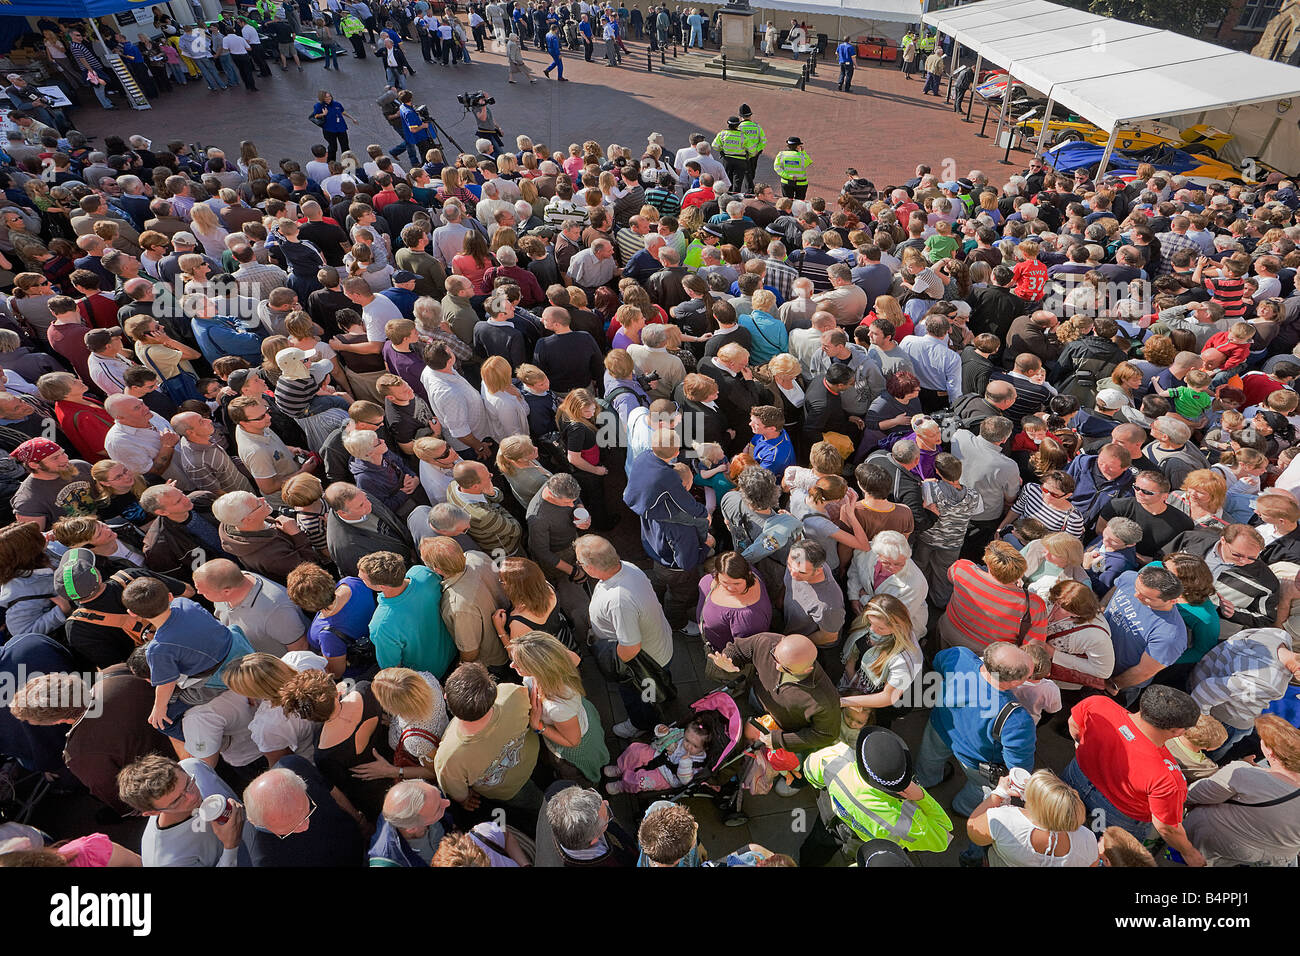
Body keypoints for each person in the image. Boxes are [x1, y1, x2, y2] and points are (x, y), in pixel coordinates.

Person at [1064, 684, 1206, 866]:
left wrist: (1082, 747)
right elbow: (1166, 827)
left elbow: (1074, 724)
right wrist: (1189, 852)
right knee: (1101, 855)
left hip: (1076, 777)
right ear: (1178, 731)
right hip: (1118, 816)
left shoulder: (1098, 704)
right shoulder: (1168, 778)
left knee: (1055, 819)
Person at [799, 726, 953, 866]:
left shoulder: (836, 757)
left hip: (829, 818)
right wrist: (921, 796)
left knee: (816, 847)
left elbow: (810, 772)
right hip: (863, 843)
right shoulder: (904, 821)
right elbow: (942, 837)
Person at [966, 769, 1098, 867]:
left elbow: (974, 832)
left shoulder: (1004, 820)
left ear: (1035, 807)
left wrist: (997, 794)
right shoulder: (1089, 840)